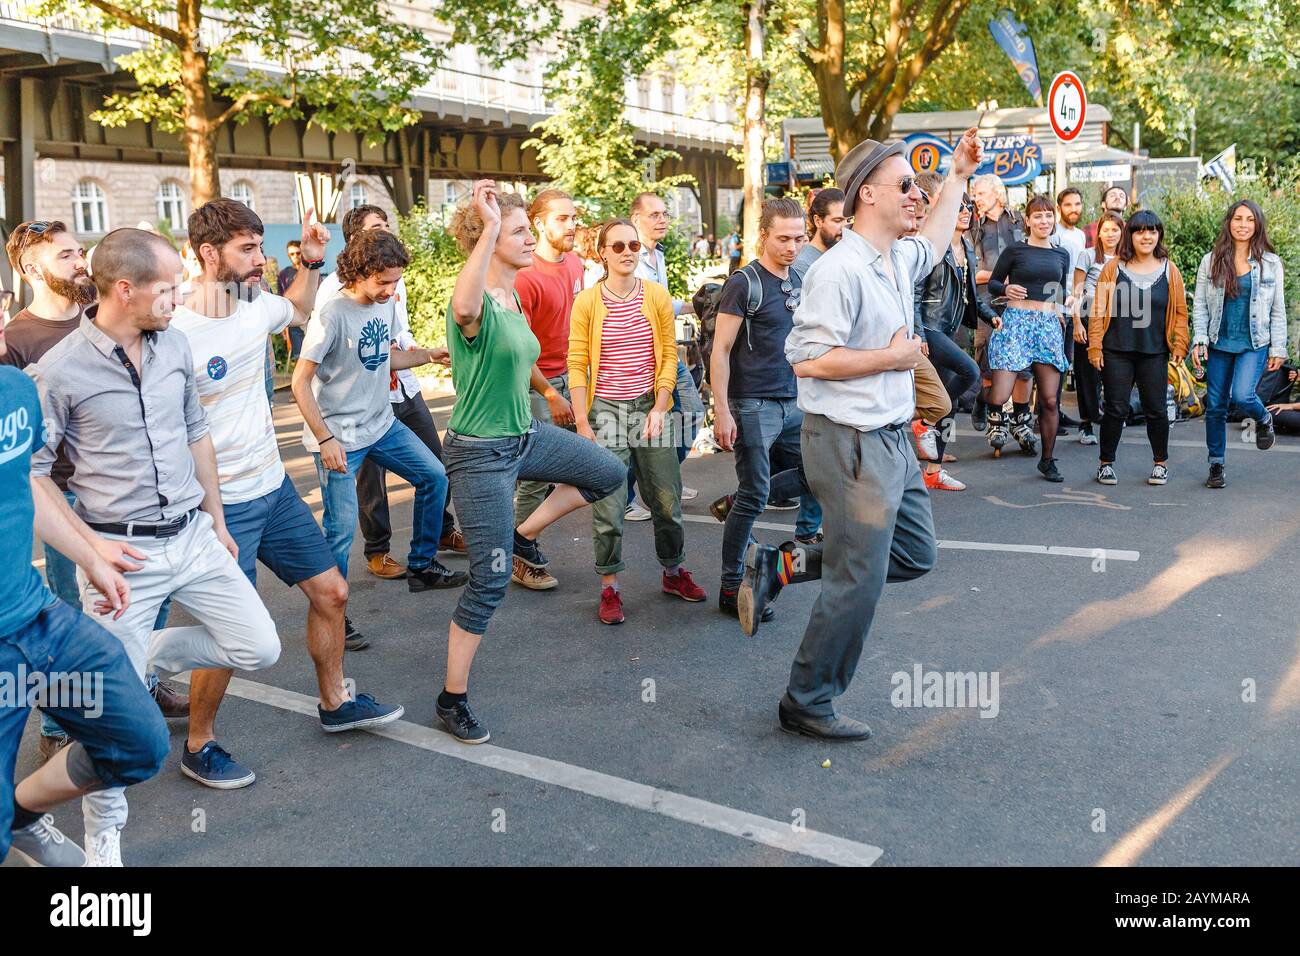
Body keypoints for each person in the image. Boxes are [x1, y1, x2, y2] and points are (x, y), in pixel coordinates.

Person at [29, 228, 282, 863]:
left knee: (259, 647)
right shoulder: (58, 371)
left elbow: (197, 432)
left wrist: (219, 522)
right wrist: (88, 548)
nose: (180, 297)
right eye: (167, 288)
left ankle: (146, 658)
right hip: (123, 557)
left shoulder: (173, 346)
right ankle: (104, 839)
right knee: (110, 723)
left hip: (195, 536)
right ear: (125, 289)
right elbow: (30, 474)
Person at [740, 128, 982, 740]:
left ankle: (782, 564)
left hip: (893, 439)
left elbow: (933, 239)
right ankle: (807, 699)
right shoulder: (839, 270)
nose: (914, 196)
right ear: (867, 195)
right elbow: (807, 358)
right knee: (858, 582)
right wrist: (888, 358)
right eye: (905, 185)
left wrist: (956, 175)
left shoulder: (896, 255)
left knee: (913, 555)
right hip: (849, 442)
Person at [172, 197, 403, 738]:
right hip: (219, 504)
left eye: (261, 247)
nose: (260, 259)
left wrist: (312, 263)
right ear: (209, 254)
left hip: (273, 490)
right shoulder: (175, 334)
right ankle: (200, 741)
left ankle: (335, 703)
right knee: (232, 631)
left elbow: (296, 308)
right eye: (248, 249)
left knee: (332, 593)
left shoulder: (256, 306)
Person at [439, 181, 625, 743]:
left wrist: (549, 393)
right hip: (478, 455)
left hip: (523, 436)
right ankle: (452, 700)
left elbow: (523, 359)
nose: (529, 238)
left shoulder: (514, 295)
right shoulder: (471, 301)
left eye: (523, 229)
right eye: (517, 231)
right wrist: (492, 226)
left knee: (609, 471)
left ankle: (522, 534)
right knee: (489, 581)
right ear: (489, 240)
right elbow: (466, 307)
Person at [2, 220, 188, 763]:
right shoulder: (16, 339)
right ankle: (66, 721)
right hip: (64, 500)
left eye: (81, 252)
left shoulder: (105, 319)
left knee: (147, 602)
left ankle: (139, 685)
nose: (79, 262)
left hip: (127, 495)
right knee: (73, 617)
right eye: (65, 256)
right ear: (32, 270)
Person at [1, 354, 169, 867]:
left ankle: (20, 815)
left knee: (137, 742)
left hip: (40, 620)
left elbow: (23, 484)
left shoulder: (14, 390)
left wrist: (90, 553)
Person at [293, 229, 467, 600]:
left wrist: (427, 355)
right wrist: (325, 439)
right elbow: (299, 382)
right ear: (357, 272)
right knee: (340, 531)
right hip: (339, 436)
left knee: (434, 477)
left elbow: (383, 357)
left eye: (396, 281)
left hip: (381, 425)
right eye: (383, 282)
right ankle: (333, 610)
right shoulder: (331, 315)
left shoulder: (385, 302)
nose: (391, 290)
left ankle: (422, 565)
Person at [569, 219, 707, 624]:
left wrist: (661, 406)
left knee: (666, 498)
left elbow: (668, 357)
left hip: (650, 405)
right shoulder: (587, 302)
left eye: (632, 244)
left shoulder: (657, 297)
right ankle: (609, 587)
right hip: (606, 409)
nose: (628, 251)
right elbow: (577, 363)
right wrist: (582, 421)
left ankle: (673, 571)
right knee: (609, 507)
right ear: (603, 254)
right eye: (618, 246)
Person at [707, 198, 821, 622]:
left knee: (817, 472)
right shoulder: (744, 282)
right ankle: (731, 585)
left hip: (796, 399)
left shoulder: (802, 277)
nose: (793, 246)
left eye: (799, 238)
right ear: (763, 236)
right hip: (752, 402)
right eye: (783, 239)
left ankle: (737, 503)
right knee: (756, 493)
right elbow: (720, 350)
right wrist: (722, 409)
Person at [511, 189, 585, 590]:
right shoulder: (525, 276)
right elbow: (519, 350)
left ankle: (519, 538)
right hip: (537, 385)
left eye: (574, 217)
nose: (572, 225)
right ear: (539, 223)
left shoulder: (575, 263)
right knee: (537, 476)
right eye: (562, 219)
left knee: (593, 463)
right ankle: (520, 555)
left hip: (573, 379)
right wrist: (551, 395)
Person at [1192, 198, 1289, 488]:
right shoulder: (1211, 260)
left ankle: (1264, 419)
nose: (1243, 225)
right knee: (1216, 408)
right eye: (1238, 219)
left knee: (1243, 396)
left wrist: (1278, 348)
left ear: (1257, 224)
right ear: (1229, 223)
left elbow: (1278, 309)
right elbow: (1200, 305)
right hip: (1219, 342)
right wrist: (1199, 339)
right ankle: (1216, 464)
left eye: (1249, 219)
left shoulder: (1271, 263)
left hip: (1254, 342)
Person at [1088, 210, 1189, 485]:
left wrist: (1180, 343)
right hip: (1116, 350)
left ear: (1159, 235)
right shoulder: (1113, 268)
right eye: (1140, 231)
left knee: (1156, 408)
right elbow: (1097, 310)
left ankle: (1160, 464)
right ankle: (1105, 463)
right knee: (1115, 409)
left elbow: (1180, 311)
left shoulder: (1170, 269)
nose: (1147, 236)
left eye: (1153, 231)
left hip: (1155, 351)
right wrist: (1095, 347)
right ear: (1130, 235)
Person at [985, 195, 1074, 481]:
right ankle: (983, 403)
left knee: (1049, 400)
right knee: (999, 395)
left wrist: (1062, 308)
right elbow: (995, 282)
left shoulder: (1062, 254)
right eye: (1038, 216)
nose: (1044, 221)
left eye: (1048, 216)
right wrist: (1006, 290)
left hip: (1047, 325)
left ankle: (1047, 460)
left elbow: (1058, 289)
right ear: (1028, 220)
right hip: (1016, 323)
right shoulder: (1015, 250)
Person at [913, 186, 995, 491]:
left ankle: (933, 470)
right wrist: (919, 331)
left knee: (947, 403)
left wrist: (989, 315)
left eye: (969, 206)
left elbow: (969, 293)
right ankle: (922, 417)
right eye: (959, 206)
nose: (965, 211)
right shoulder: (933, 246)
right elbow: (916, 292)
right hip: (931, 327)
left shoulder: (968, 249)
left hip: (951, 327)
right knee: (970, 373)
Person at [629, 192, 704, 512]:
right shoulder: (626, 256)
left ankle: (664, 479)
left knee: (691, 412)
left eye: (664, 214)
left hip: (666, 353)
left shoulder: (657, 255)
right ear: (635, 220)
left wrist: (696, 305)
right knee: (639, 429)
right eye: (654, 215)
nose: (662, 220)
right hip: (639, 357)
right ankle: (627, 499)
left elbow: (662, 302)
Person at [968, 173, 1033, 437]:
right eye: (975, 194)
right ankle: (984, 402)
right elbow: (971, 270)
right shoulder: (974, 227)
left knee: (1022, 360)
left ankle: (1020, 420)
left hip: (1020, 300)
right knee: (987, 357)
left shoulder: (1019, 220)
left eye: (981, 193)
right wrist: (1000, 278)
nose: (976, 199)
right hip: (987, 300)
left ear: (997, 192)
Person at [1070, 211, 1123, 445]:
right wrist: (1077, 323)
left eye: (1115, 229)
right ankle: (1086, 423)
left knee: (1114, 371)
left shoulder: (1127, 259)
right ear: (1098, 232)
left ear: (1122, 232)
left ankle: (1111, 417)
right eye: (1106, 229)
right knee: (1087, 374)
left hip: (1117, 318)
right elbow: (1076, 293)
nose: (1110, 234)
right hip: (1088, 314)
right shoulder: (1088, 255)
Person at [792, 188, 846, 281]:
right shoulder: (802, 265)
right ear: (818, 221)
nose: (844, 228)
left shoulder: (843, 256)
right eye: (837, 221)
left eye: (848, 220)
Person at [278, 240, 305, 361]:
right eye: (291, 254)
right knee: (298, 357)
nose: (295, 256)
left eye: (297, 253)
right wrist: (284, 326)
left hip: (312, 319)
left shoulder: (310, 271)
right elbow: (281, 298)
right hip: (293, 319)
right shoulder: (284, 274)